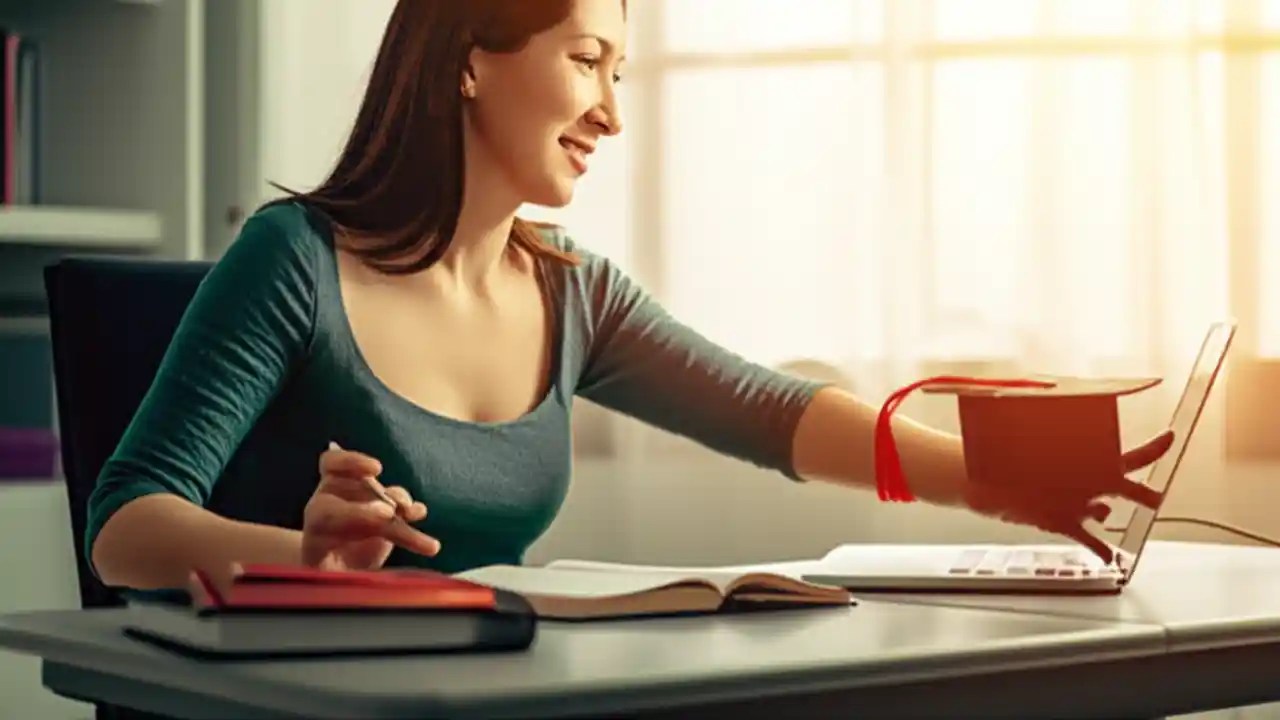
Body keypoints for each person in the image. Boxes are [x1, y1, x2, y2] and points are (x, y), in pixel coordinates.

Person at [86, 0, 1173, 592]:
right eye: (587, 60)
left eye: (621, 75)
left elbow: (769, 413)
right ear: (470, 58)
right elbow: (126, 525)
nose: (612, 112)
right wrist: (310, 561)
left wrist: (992, 482)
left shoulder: (571, 290)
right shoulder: (293, 262)